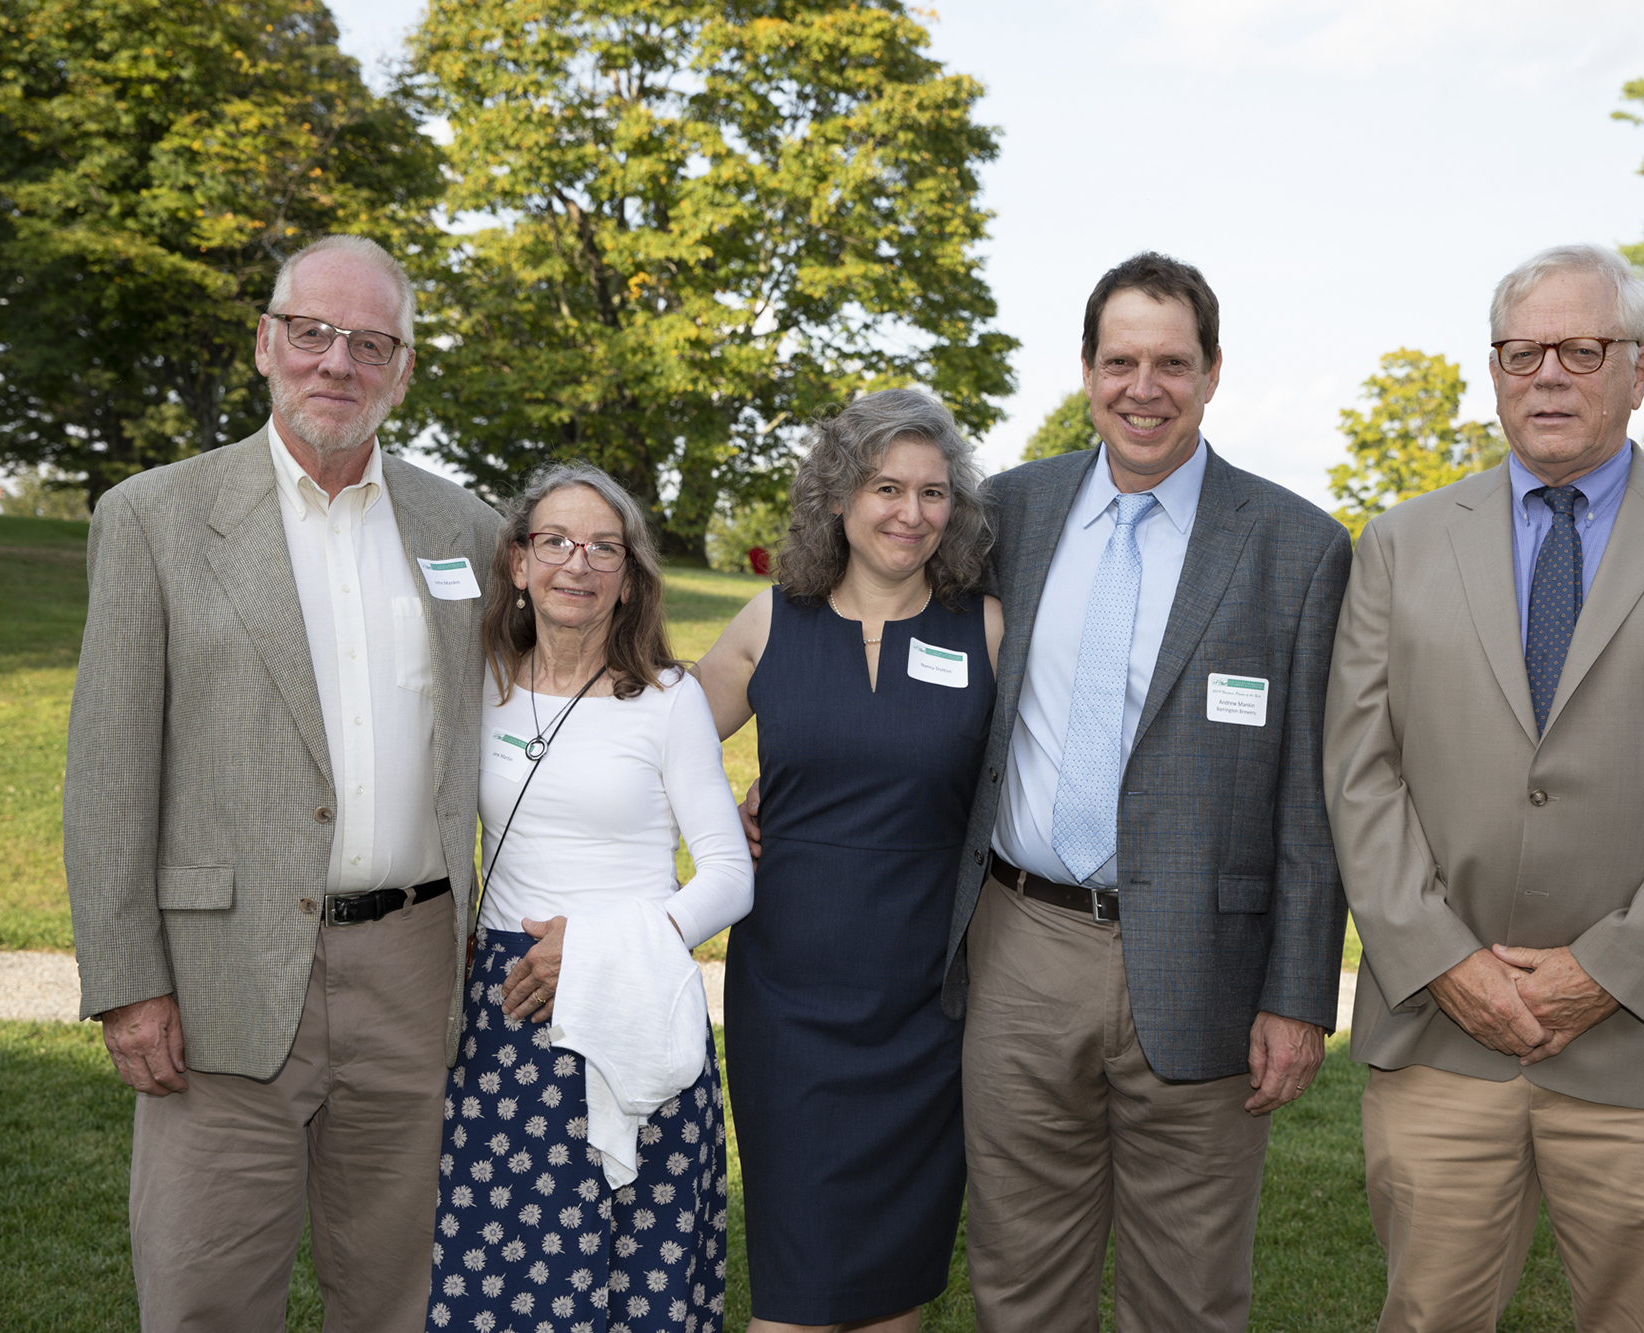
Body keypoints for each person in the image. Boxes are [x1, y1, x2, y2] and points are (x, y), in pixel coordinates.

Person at [1323, 243, 1644, 1332]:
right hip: (1441, 1040)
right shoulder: (1398, 545)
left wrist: (1604, 970)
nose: (1546, 375)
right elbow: (1358, 772)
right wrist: (1443, 960)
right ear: (1491, 370)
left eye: (1580, 350)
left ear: (1639, 369)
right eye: (1519, 351)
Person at [64, 233, 503, 1330]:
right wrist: (127, 980)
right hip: (220, 975)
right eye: (311, 332)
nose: (336, 362)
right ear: (265, 344)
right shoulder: (155, 518)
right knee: (206, 1290)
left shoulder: (469, 532)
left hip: (413, 967)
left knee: (398, 1294)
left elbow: (558, 699)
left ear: (402, 371)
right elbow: (108, 767)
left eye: (369, 342)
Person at [942, 253, 1351, 1328]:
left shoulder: (1295, 547)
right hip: (1021, 942)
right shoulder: (1003, 516)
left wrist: (1299, 993)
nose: (1143, 387)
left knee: (1189, 1295)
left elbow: (1313, 795)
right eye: (1119, 360)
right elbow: (910, 674)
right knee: (1018, 1281)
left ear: (1212, 373)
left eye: (1170, 362)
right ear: (1084, 371)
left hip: (1205, 969)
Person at [695, 389, 1002, 1333]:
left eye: (933, 493)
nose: (911, 513)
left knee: (892, 1293)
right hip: (787, 1001)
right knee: (796, 1295)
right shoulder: (768, 622)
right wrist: (720, 821)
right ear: (837, 495)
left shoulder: (985, 629)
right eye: (885, 487)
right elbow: (649, 753)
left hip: (926, 1007)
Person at [428, 461, 752, 1333]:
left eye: (605, 546)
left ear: (630, 575)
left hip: (630, 999)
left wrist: (599, 942)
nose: (579, 563)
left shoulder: (666, 699)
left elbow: (729, 875)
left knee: (628, 1268)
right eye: (556, 541)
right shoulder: (479, 681)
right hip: (507, 1009)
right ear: (518, 564)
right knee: (495, 1267)